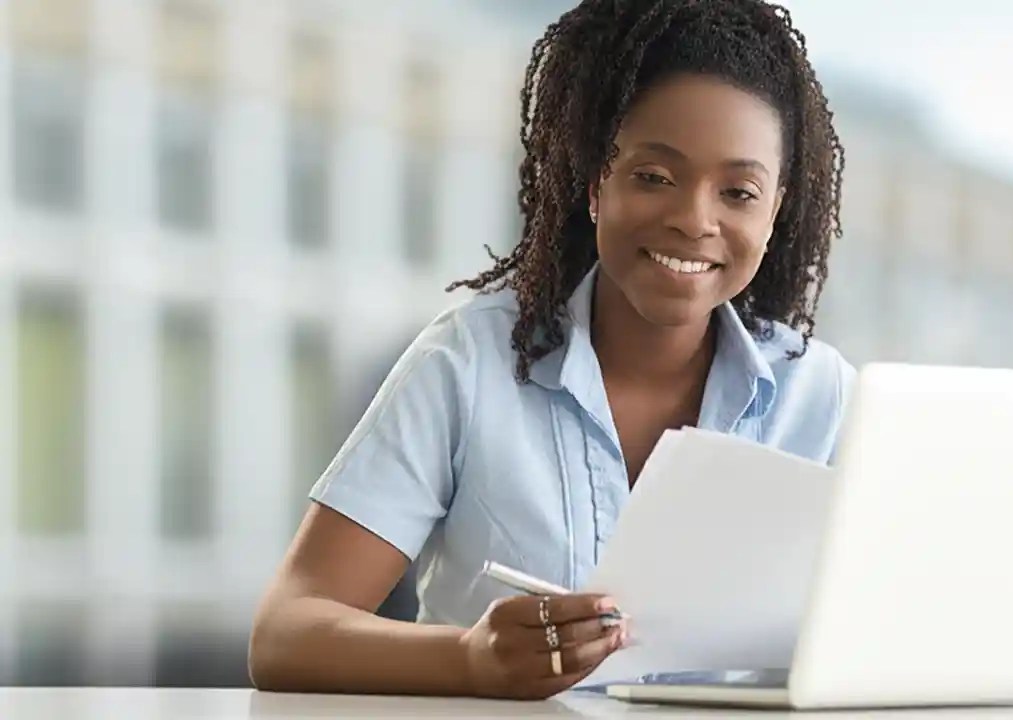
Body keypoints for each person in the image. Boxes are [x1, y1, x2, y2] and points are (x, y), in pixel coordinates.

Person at [249, 0, 851, 700]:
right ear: (597, 183)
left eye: (738, 191)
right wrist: (469, 660)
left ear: (774, 212)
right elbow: (284, 633)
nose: (694, 219)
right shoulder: (468, 363)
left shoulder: (826, 398)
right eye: (654, 176)